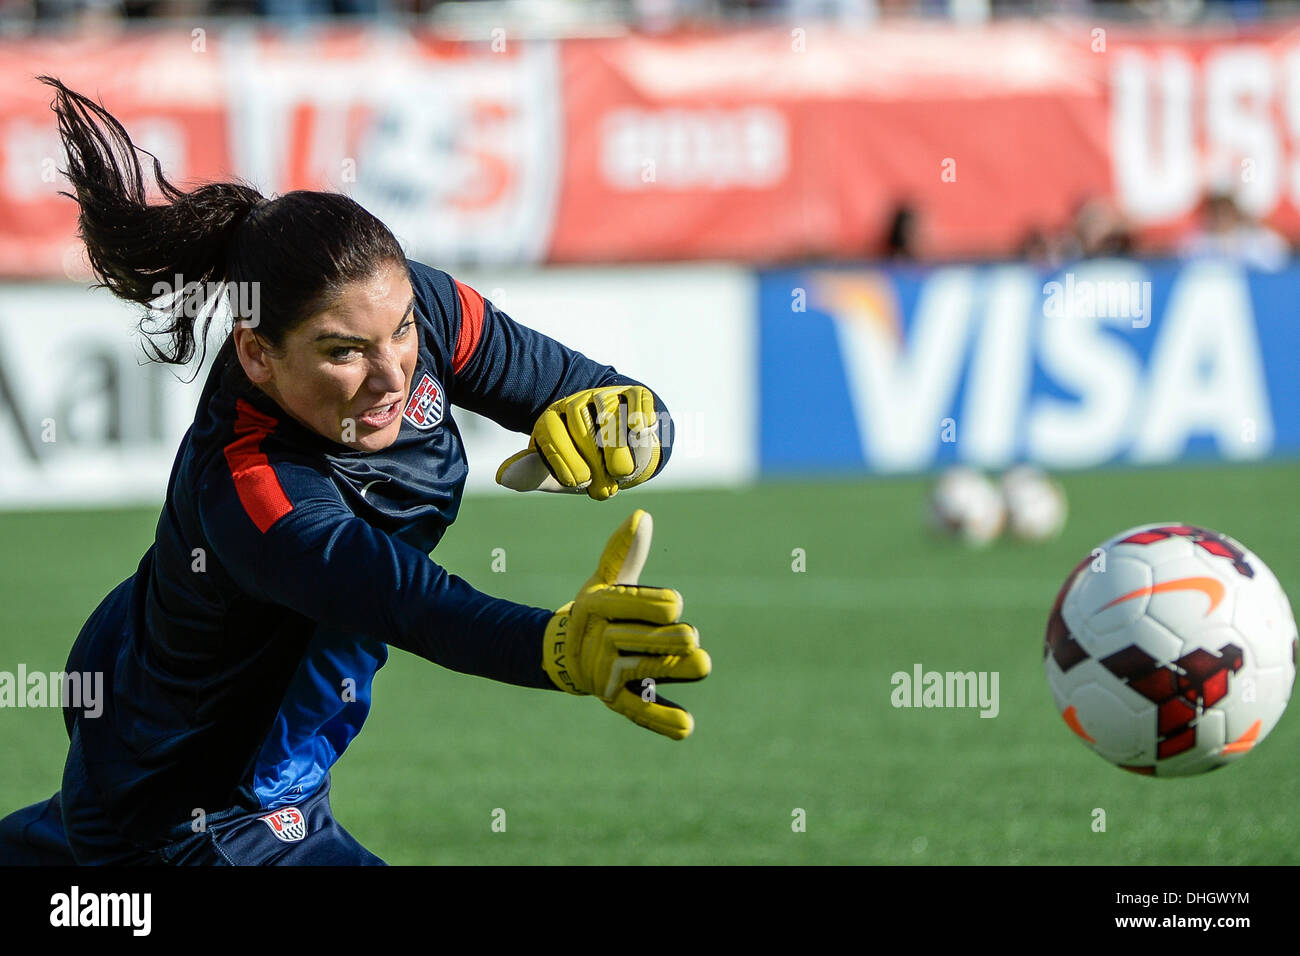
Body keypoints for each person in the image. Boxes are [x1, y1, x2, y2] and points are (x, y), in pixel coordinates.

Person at [0, 76, 710, 865]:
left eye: (400, 331)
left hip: (193, 722)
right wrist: (557, 647)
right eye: (344, 352)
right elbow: (409, 603)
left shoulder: (422, 310)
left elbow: (603, 395)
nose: (392, 376)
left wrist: (638, 430)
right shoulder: (252, 485)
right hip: (194, 805)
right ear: (256, 354)